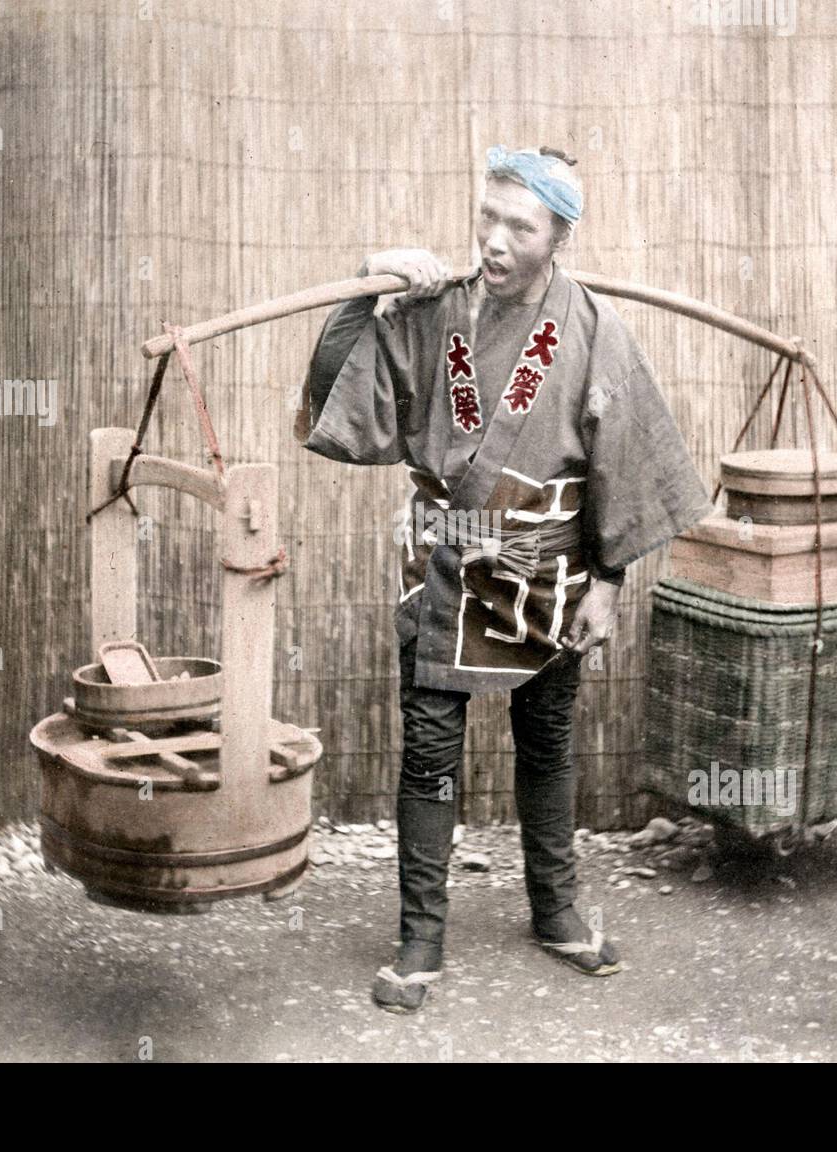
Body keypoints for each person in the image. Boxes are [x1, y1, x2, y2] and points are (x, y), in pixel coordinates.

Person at [297, 144, 713, 1013]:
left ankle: (556, 911)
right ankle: (421, 937)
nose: (492, 238)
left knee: (549, 740)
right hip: (446, 563)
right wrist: (364, 285)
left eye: (518, 225)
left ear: (558, 237)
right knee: (429, 751)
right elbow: (338, 395)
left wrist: (607, 581)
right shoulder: (432, 313)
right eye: (486, 216)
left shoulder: (592, 327)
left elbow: (625, 462)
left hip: (549, 570)